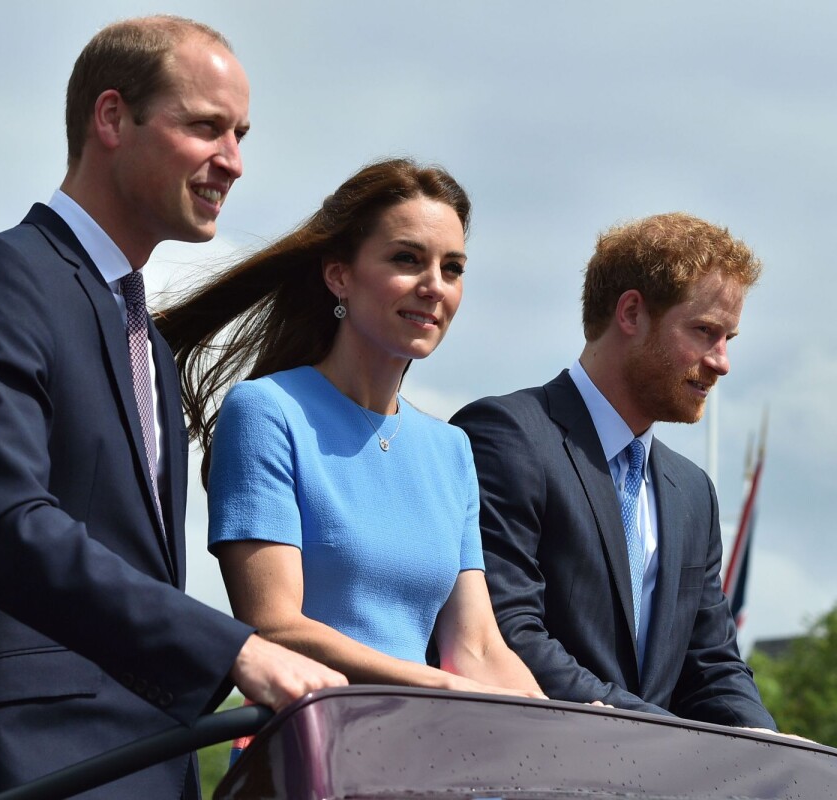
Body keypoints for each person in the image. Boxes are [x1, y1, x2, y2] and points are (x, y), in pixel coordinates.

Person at [0, 17, 344, 799]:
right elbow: (4, 526)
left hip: (152, 767)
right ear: (111, 118)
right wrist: (234, 650)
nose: (233, 161)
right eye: (205, 127)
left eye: (239, 135)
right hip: (26, 761)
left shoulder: (149, 345)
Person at [157, 158, 543, 698]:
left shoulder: (451, 448)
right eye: (407, 259)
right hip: (318, 737)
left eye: (453, 268)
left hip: (428, 740)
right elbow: (274, 626)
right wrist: (438, 686)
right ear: (339, 275)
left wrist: (566, 724)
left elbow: (477, 648)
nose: (435, 286)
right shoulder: (267, 411)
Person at [451, 212, 777, 729]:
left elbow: (713, 667)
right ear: (631, 312)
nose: (722, 362)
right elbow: (504, 631)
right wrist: (658, 733)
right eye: (704, 331)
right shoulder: (506, 438)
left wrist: (775, 752)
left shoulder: (694, 493)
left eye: (728, 338)